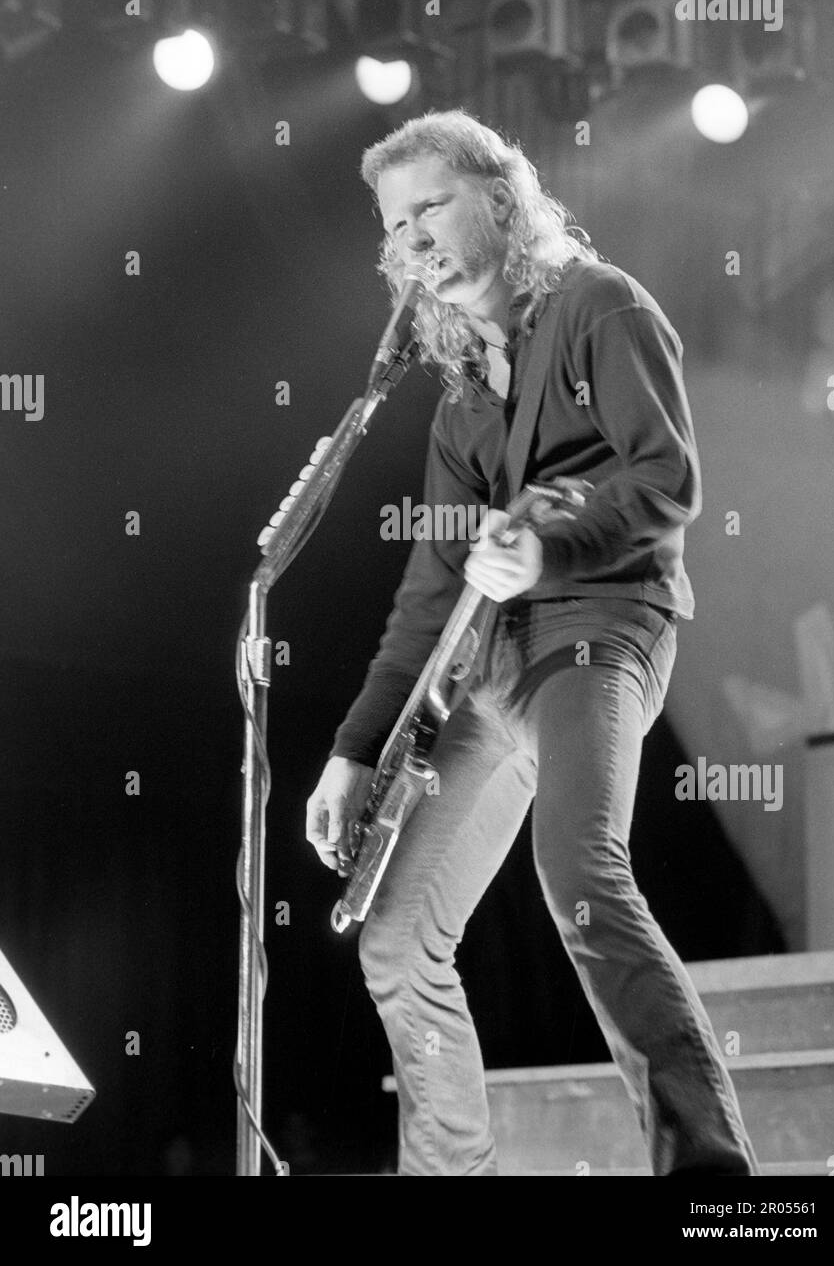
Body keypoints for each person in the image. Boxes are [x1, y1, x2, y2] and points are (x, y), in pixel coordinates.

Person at [291, 109, 758, 1176]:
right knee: (396, 935)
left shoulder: (603, 306)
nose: (411, 239)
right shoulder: (459, 406)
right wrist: (355, 749)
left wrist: (548, 551)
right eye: (394, 223)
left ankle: (711, 1181)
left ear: (501, 200)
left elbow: (666, 481)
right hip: (492, 669)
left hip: (602, 626)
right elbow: (427, 595)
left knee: (581, 878)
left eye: (431, 207)